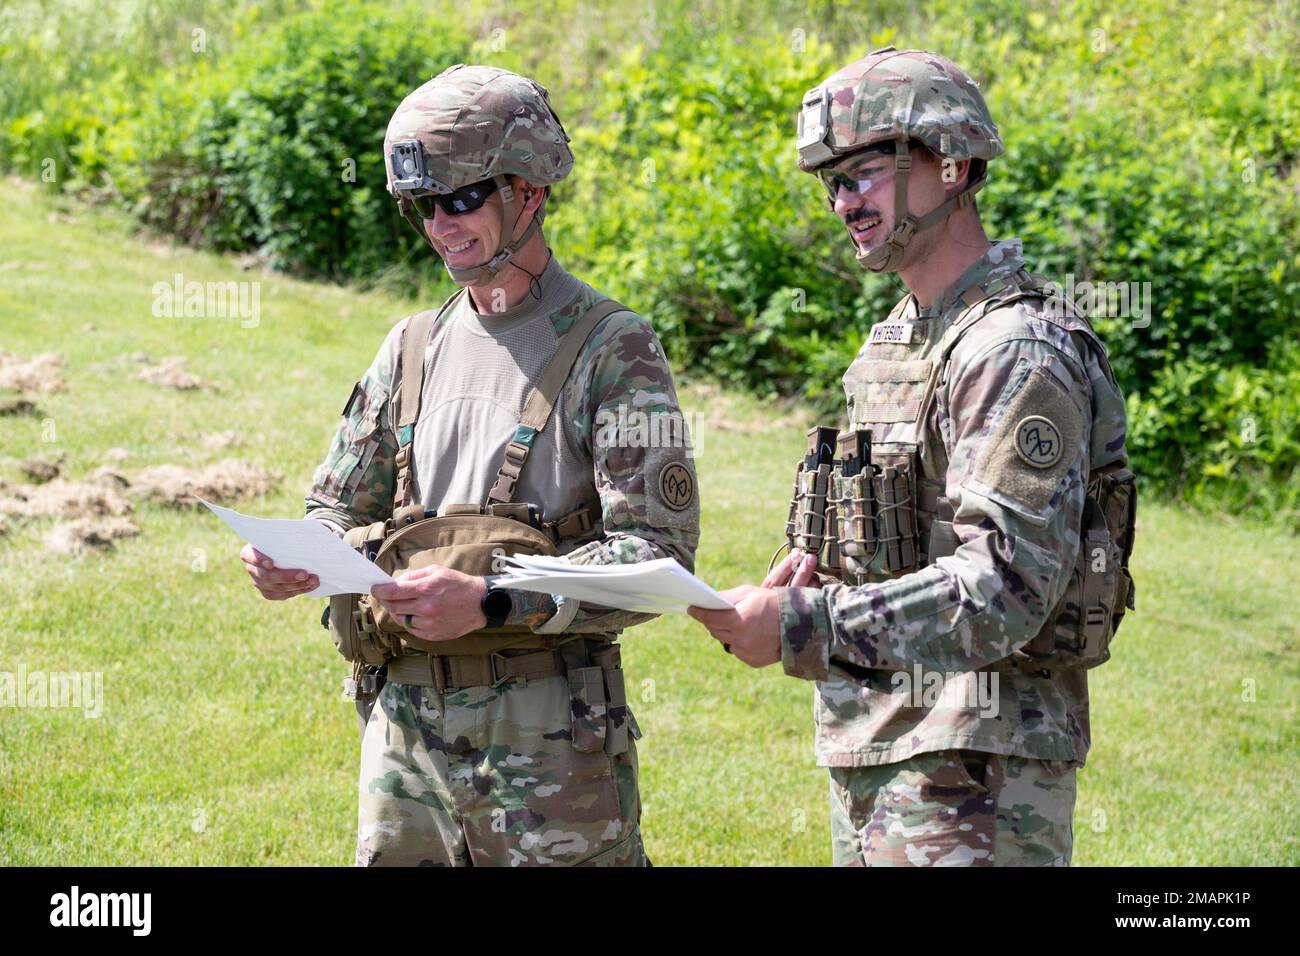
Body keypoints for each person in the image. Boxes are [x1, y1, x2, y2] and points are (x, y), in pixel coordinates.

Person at [241, 64, 699, 867]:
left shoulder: (612, 348)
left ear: (530, 191)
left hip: (549, 745)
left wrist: (491, 601)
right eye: (422, 206)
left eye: (460, 200)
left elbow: (658, 561)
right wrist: (300, 559)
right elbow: (333, 506)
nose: (440, 227)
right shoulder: (411, 346)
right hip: (403, 737)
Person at [689, 48, 1133, 866]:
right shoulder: (900, 338)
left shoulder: (1014, 350)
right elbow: (901, 532)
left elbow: (1004, 587)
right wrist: (815, 569)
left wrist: (802, 625)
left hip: (979, 772)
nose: (842, 202)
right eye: (831, 182)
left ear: (953, 163)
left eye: (862, 173)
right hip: (883, 746)